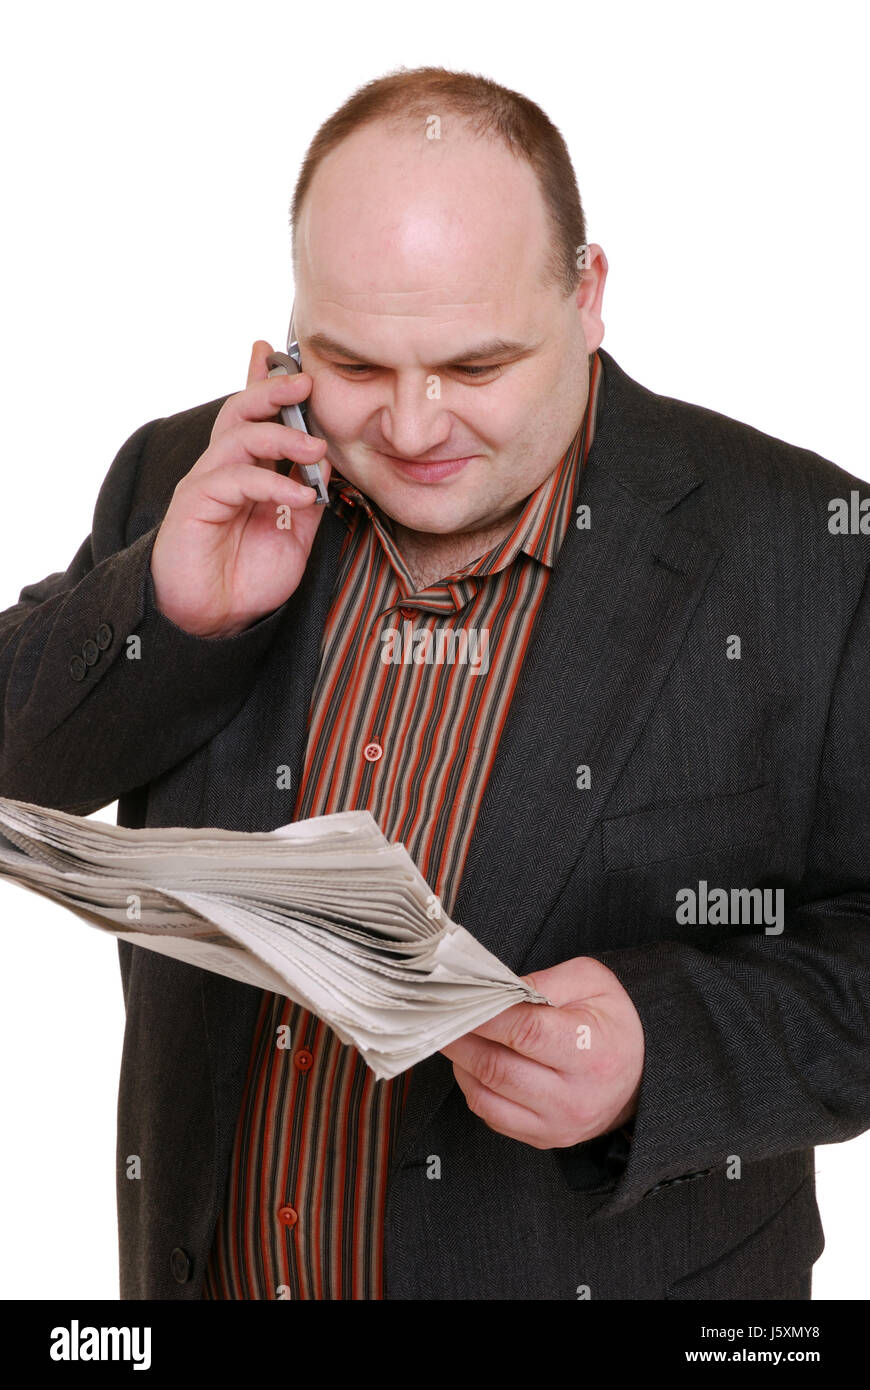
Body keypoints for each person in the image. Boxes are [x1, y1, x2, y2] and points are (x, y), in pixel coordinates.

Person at [1, 65, 868, 1301]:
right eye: (354, 364)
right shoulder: (185, 473)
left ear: (589, 297)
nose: (411, 428)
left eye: (474, 366)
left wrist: (659, 1048)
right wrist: (166, 610)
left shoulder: (805, 547)